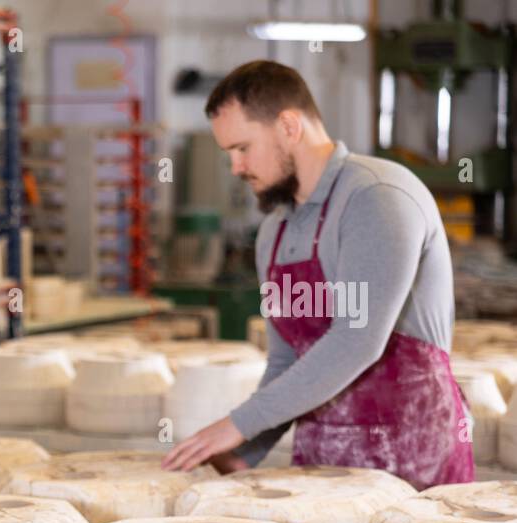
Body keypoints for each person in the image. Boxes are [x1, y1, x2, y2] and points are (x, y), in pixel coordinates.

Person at [162, 60, 472, 490]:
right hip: (323, 463)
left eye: (242, 148)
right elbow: (287, 361)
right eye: (228, 154)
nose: (235, 167)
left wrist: (238, 423)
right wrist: (243, 453)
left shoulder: (377, 197)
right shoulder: (275, 230)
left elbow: (358, 339)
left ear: (289, 126)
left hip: (412, 455)